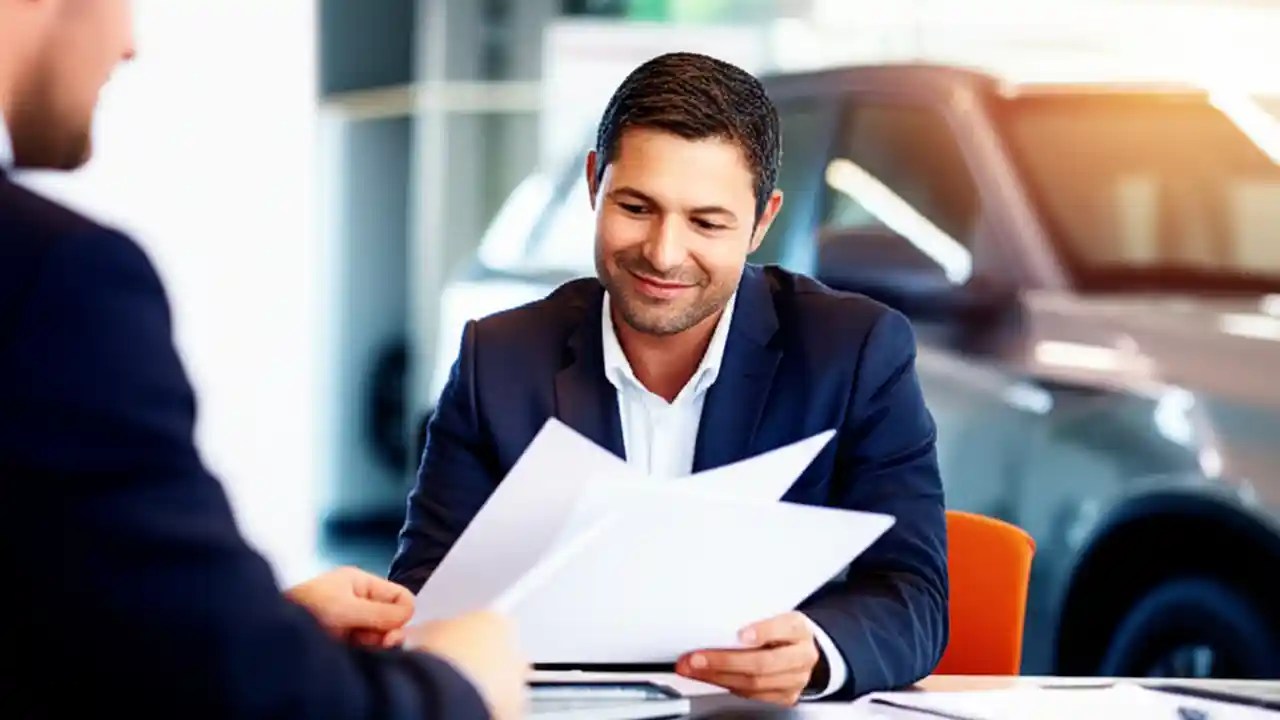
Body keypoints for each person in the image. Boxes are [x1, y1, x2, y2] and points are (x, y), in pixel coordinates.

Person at [0, 1, 526, 717]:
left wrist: (253, 624)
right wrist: (461, 683)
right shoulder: (56, 276)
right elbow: (260, 703)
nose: (128, 46)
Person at [390, 51, 949, 705]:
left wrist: (818, 651)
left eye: (707, 222)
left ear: (762, 220)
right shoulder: (500, 359)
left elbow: (915, 596)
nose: (662, 252)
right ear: (595, 183)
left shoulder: (853, 353)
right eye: (636, 207)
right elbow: (427, 589)